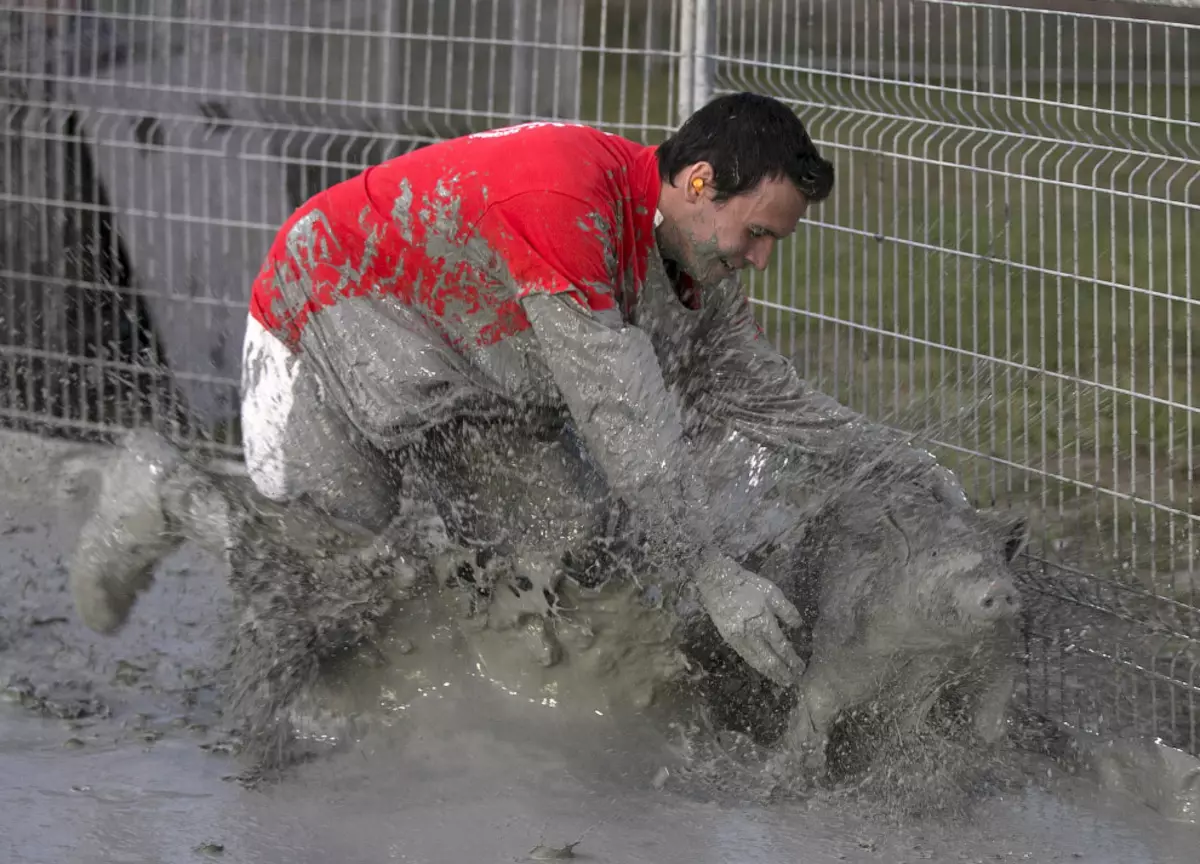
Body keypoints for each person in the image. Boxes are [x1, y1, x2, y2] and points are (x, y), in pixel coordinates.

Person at [67, 91, 840, 690]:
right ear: (700, 182)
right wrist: (712, 572)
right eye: (759, 234)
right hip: (329, 303)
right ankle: (164, 492)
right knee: (323, 581)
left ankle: (494, 715)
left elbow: (771, 399)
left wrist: (908, 474)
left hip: (460, 362)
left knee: (564, 546)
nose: (763, 259)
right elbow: (619, 407)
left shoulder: (694, 257)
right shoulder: (569, 197)